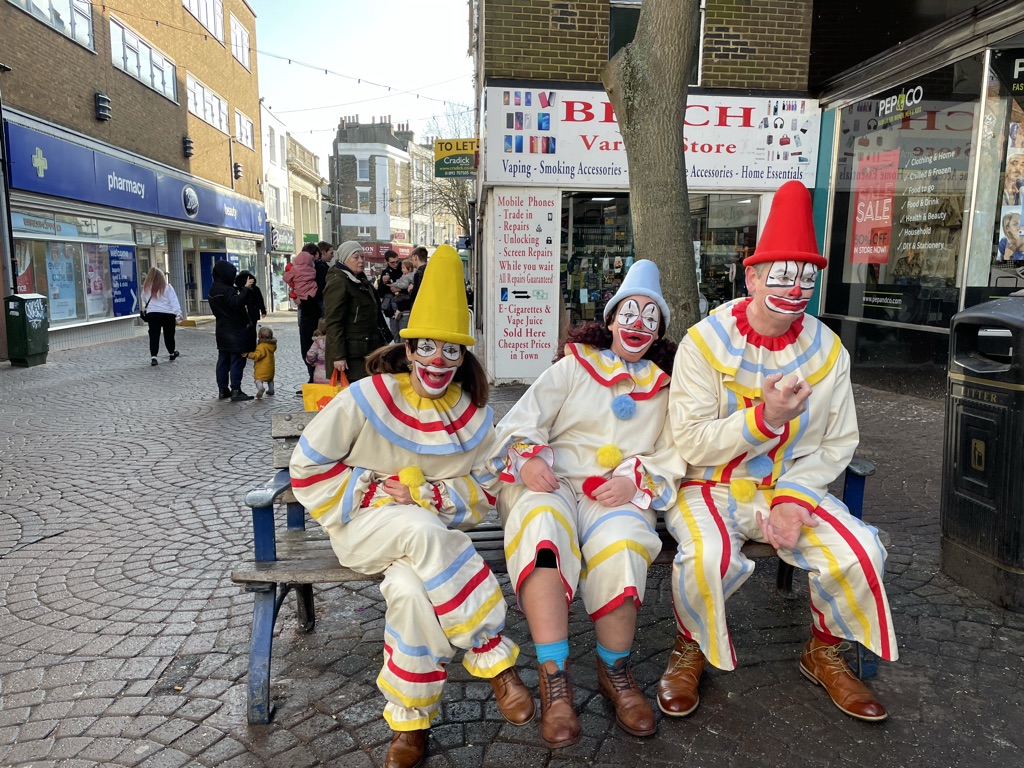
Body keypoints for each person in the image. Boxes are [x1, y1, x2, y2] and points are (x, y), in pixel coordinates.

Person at [289, 244, 533, 768]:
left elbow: (485, 491)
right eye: (427, 347)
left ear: (463, 357)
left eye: (451, 351)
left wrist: (428, 495)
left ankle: (410, 722)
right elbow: (306, 465)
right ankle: (492, 654)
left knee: (408, 590)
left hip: (433, 552)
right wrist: (375, 490)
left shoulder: (473, 417)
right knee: (420, 528)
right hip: (361, 531)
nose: (437, 361)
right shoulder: (368, 397)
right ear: (410, 346)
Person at [663, 180, 897, 723]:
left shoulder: (827, 349)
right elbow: (690, 439)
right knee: (707, 557)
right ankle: (690, 645)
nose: (795, 290)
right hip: (709, 484)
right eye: (782, 276)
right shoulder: (704, 343)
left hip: (792, 484)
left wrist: (793, 498)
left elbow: (839, 440)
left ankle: (824, 650)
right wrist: (764, 420)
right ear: (751, 277)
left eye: (806, 278)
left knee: (861, 549)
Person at [490, 260, 685, 748]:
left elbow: (672, 453)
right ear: (611, 319)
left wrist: (634, 481)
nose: (638, 324)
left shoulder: (666, 388)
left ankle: (614, 669)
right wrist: (528, 459)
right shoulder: (573, 367)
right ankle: (554, 679)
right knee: (542, 529)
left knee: (625, 541)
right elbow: (522, 420)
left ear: (659, 332)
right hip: (553, 480)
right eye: (629, 313)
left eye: (651, 318)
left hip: (614, 491)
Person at [323, 240, 391, 382]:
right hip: (351, 356)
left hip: (366, 350)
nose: (361, 261)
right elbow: (334, 322)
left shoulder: (360, 280)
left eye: (363, 257)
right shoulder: (339, 282)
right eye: (356, 257)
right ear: (344, 259)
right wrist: (338, 356)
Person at [208, 260, 257, 401]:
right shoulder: (227, 290)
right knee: (237, 360)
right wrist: (246, 289)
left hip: (222, 329)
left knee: (223, 360)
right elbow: (236, 304)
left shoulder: (214, 289)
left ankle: (223, 389)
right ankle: (236, 390)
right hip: (235, 331)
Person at [285, 243, 322, 386]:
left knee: (308, 346)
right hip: (311, 308)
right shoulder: (314, 270)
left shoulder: (296, 269)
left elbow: (287, 278)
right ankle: (315, 377)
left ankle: (313, 378)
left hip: (307, 311)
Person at [140, 267, 182, 366]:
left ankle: (154, 357)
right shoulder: (168, 288)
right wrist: (178, 313)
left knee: (154, 335)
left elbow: (144, 299)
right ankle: (171, 353)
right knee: (169, 335)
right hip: (168, 314)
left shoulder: (147, 288)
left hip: (153, 314)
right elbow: (174, 301)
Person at [247, 326, 277, 399]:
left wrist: (249, 354)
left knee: (258, 380)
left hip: (261, 368)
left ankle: (260, 388)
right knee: (270, 379)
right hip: (270, 368)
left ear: (259, 336)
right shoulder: (272, 345)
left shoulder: (261, 346)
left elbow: (257, 356)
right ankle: (271, 390)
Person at [304, 318, 329, 384]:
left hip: (320, 375)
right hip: (335, 376)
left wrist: (312, 362)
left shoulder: (317, 342)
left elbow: (310, 355)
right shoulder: (337, 341)